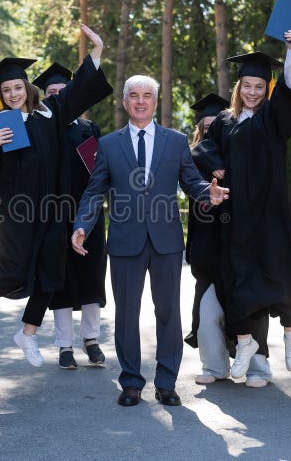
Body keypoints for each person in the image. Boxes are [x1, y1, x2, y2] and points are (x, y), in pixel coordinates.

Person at [0, 25, 112, 368]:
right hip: (16, 211)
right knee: (12, 272)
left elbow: (78, 89)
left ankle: (28, 333)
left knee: (53, 272)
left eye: (18, 87)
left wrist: (95, 52)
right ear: (1, 93)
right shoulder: (1, 122)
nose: (14, 93)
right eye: (7, 89)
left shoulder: (50, 114)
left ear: (27, 87)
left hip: (51, 211)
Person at [72, 74, 230, 407]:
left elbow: (192, 183)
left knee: (168, 311)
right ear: (124, 102)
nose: (140, 101)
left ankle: (166, 383)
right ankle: (130, 382)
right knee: (127, 314)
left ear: (155, 102)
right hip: (125, 241)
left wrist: (208, 194)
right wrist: (82, 224)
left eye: (147, 95)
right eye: (134, 95)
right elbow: (94, 190)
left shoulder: (175, 141)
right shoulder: (109, 144)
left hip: (166, 241)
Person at [198, 29, 291, 388]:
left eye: (258, 87)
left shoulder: (273, 119)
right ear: (238, 88)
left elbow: (290, 94)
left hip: (268, 213)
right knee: (236, 280)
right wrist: (214, 162)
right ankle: (247, 343)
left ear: (266, 89)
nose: (251, 92)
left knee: (276, 274)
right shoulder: (224, 121)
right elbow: (201, 147)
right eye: (246, 86)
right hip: (235, 216)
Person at [32, 63, 107, 370]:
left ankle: (91, 340)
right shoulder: (42, 128)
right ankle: (64, 345)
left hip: (89, 213)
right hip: (52, 215)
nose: (58, 98)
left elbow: (101, 173)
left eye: (64, 93)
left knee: (92, 276)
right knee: (59, 279)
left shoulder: (90, 130)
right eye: (51, 94)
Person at [183, 92, 231, 385]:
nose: (212, 131)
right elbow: (193, 155)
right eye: (207, 126)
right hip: (205, 243)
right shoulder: (194, 157)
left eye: (218, 126)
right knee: (207, 307)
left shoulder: (237, 153)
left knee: (239, 304)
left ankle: (249, 359)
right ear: (200, 127)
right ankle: (213, 365)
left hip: (235, 241)